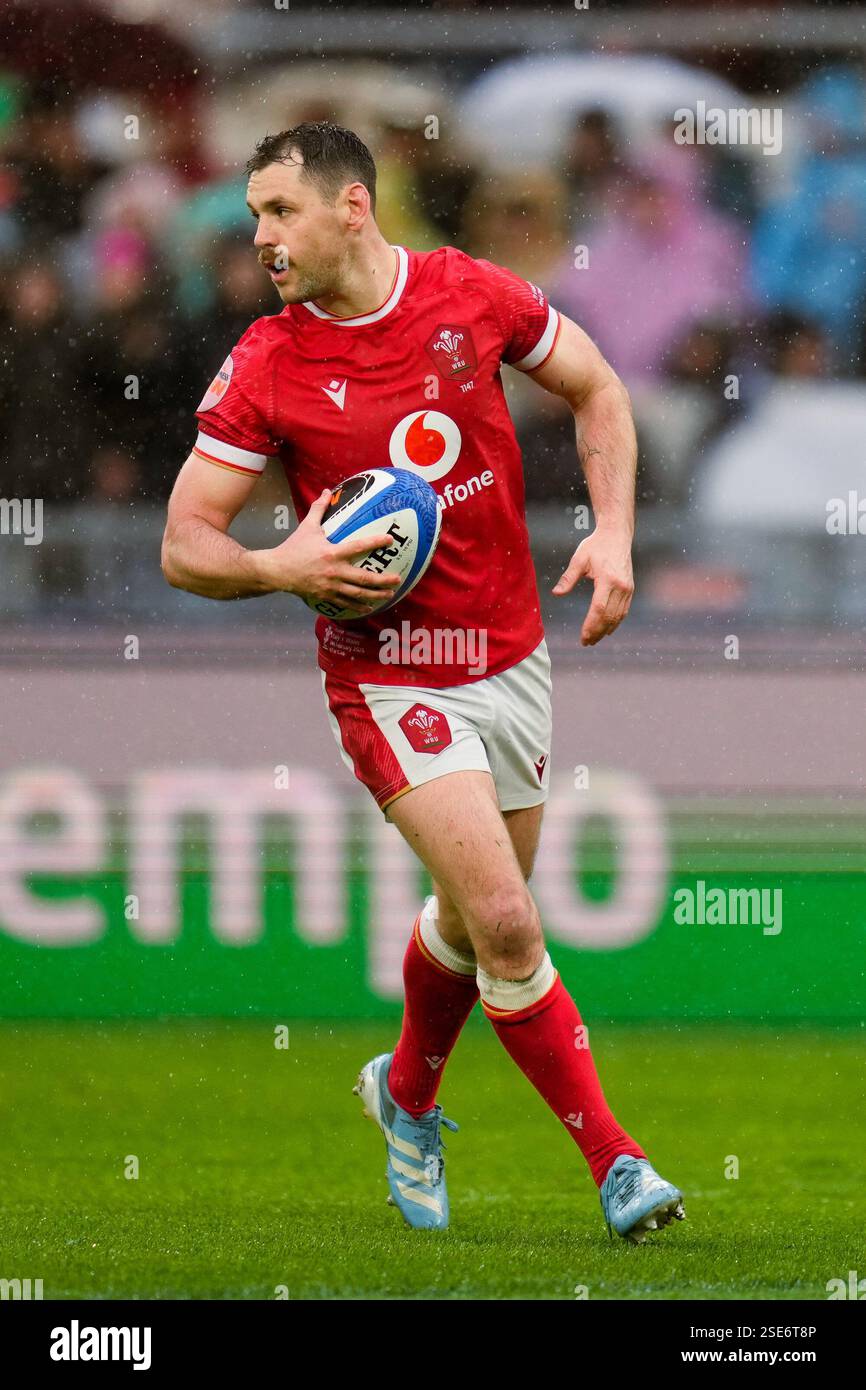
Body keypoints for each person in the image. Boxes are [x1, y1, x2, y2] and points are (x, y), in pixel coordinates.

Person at [160, 122, 685, 1243]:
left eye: (280, 210)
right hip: (387, 679)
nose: (261, 235)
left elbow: (597, 390)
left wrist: (615, 534)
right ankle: (617, 1162)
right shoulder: (267, 361)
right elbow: (182, 543)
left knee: (462, 914)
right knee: (504, 917)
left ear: (353, 206)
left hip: (508, 654)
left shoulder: (469, 296)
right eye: (254, 214)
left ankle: (404, 1092)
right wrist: (276, 565)